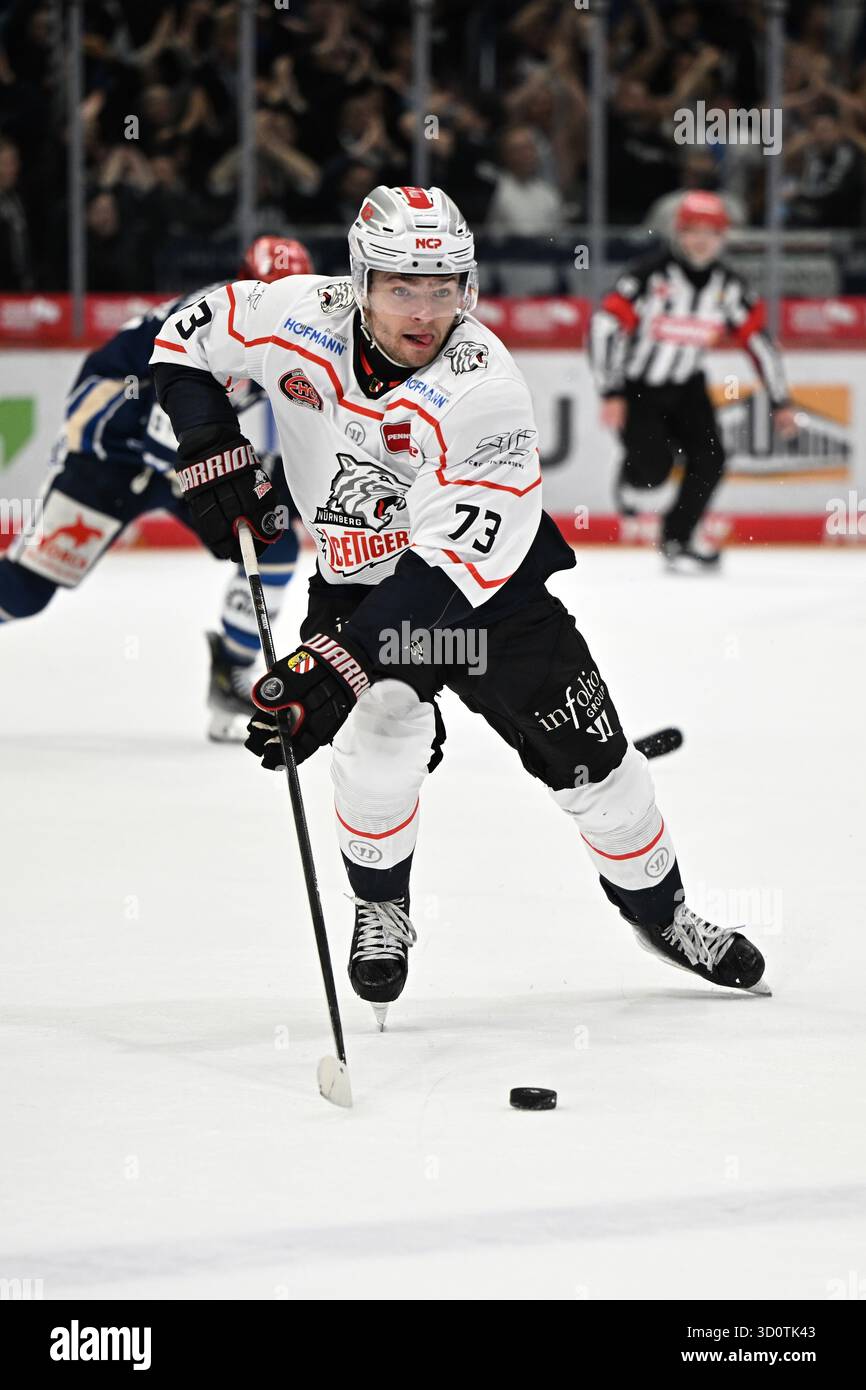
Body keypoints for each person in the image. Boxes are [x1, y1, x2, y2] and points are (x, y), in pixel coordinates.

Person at [150, 184, 771, 1028]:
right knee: (377, 742)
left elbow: (451, 571)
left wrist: (337, 664)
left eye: (444, 286)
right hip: (359, 583)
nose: (426, 310)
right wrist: (209, 446)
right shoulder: (297, 314)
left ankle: (661, 914)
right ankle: (382, 907)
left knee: (601, 770)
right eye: (404, 286)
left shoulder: (485, 389)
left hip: (489, 597)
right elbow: (185, 335)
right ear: (360, 282)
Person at [0, 235, 311, 741]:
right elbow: (115, 397)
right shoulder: (212, 319)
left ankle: (228, 675)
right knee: (27, 590)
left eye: (289, 293)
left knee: (268, 539)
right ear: (242, 283)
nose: (276, 305)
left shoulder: (292, 336)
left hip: (183, 459)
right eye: (266, 290)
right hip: (112, 456)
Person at [590, 190, 797, 571]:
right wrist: (611, 391)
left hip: (687, 386)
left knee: (711, 458)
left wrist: (781, 401)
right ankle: (632, 473)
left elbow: (759, 344)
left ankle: (677, 538)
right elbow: (605, 326)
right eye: (693, 231)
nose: (702, 240)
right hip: (639, 387)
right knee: (653, 473)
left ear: (723, 238)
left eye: (711, 232)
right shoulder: (648, 277)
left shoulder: (730, 287)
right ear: (678, 233)